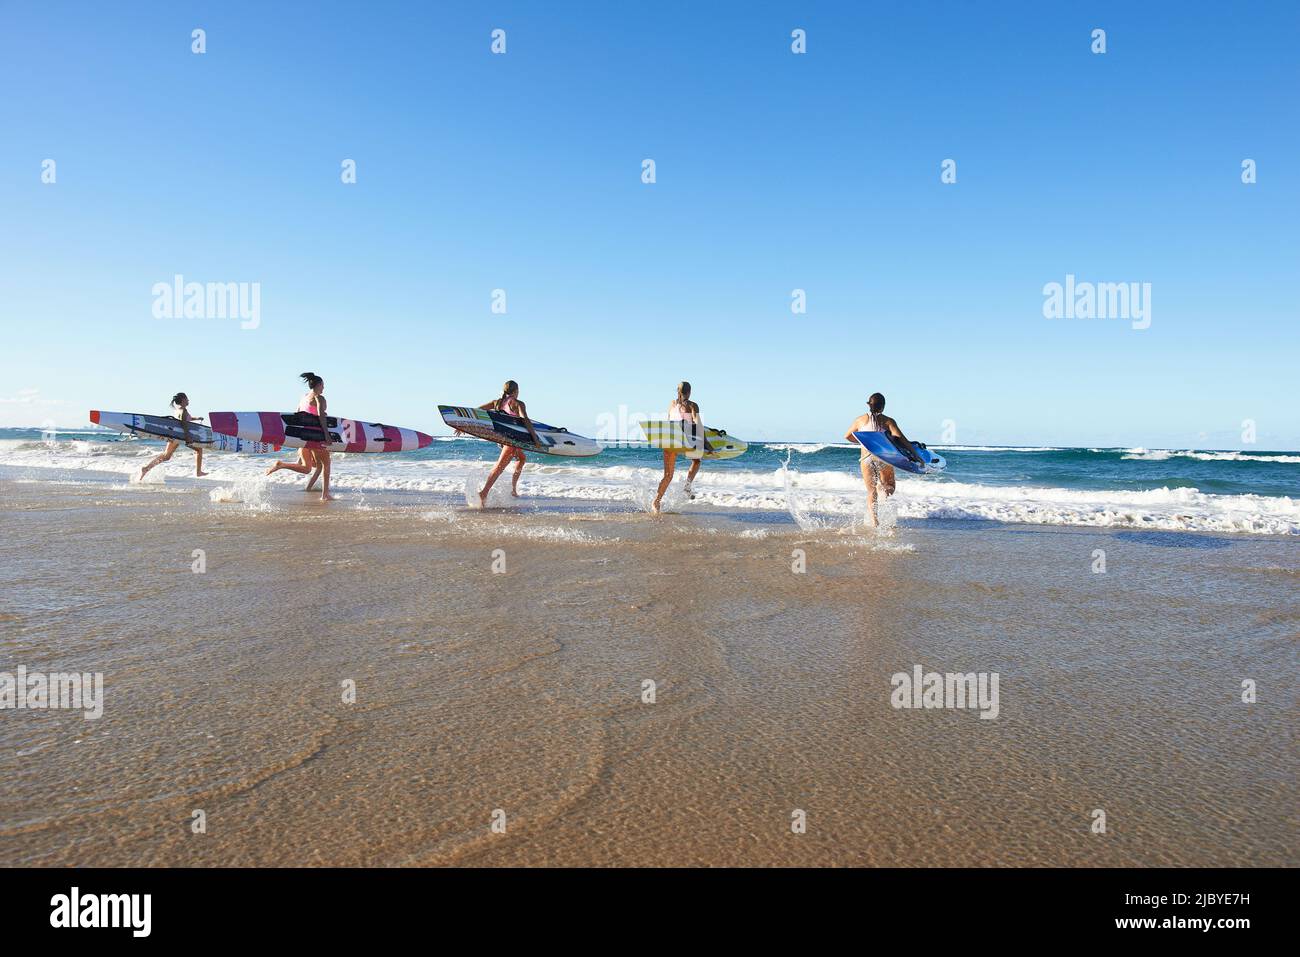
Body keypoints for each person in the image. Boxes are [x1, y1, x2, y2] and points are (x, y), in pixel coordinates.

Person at [844, 392, 921, 527]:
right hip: (884, 457)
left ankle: (875, 521)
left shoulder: (860, 420)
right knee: (890, 487)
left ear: (869, 405)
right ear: (883, 406)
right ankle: (883, 490)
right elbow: (899, 438)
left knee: (871, 491)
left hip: (866, 457)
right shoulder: (888, 421)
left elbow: (848, 436)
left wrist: (865, 442)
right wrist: (916, 455)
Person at [266, 372, 333, 500]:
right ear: (318, 385)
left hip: (303, 436)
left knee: (310, 467)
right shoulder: (319, 398)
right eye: (323, 385)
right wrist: (326, 434)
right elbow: (321, 416)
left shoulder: (304, 397)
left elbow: (297, 414)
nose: (324, 388)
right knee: (326, 464)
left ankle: (307, 487)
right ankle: (325, 495)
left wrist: (296, 438)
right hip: (315, 435)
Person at [476, 380, 540, 506]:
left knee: (521, 458)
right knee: (499, 467)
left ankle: (513, 490)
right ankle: (484, 493)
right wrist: (535, 438)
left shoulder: (497, 402)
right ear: (516, 391)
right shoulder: (517, 403)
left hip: (503, 439)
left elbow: (478, 410)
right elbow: (525, 419)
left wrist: (461, 424)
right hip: (512, 440)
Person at [652, 381, 707, 513]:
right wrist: (707, 445)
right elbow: (698, 425)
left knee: (668, 475)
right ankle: (687, 486)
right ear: (690, 392)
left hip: (671, 441)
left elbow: (669, 421)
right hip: (685, 441)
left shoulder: (672, 404)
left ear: (677, 391)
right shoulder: (693, 405)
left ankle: (656, 502)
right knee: (696, 460)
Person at [137, 393, 207, 480]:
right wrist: (188, 436)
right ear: (183, 400)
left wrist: (196, 418)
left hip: (174, 435)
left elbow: (186, 419)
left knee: (166, 456)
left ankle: (146, 468)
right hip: (181, 436)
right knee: (199, 450)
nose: (188, 400)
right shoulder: (183, 411)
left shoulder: (179, 410)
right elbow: (184, 423)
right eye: (187, 399)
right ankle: (198, 472)